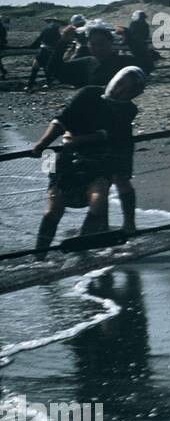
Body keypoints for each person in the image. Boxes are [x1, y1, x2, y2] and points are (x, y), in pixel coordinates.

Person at [30, 66, 148, 253]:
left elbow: (107, 135)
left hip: (98, 162)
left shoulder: (128, 110)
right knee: (55, 208)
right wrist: (42, 144)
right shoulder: (88, 93)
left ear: (134, 94)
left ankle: (82, 246)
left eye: (128, 91)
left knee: (99, 198)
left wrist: (77, 139)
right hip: (65, 160)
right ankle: (38, 255)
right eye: (119, 84)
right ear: (114, 79)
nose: (119, 91)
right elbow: (61, 121)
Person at [60, 19, 133, 88]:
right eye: (93, 44)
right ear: (88, 44)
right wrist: (63, 42)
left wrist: (131, 39)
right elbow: (56, 70)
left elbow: (143, 62)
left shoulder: (124, 63)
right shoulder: (86, 63)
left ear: (111, 41)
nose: (98, 49)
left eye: (102, 43)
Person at [27, 20, 74, 90]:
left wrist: (31, 46)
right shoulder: (57, 32)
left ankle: (31, 85)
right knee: (44, 66)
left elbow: (40, 38)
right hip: (48, 50)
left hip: (45, 50)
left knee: (39, 66)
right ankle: (46, 84)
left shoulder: (50, 30)